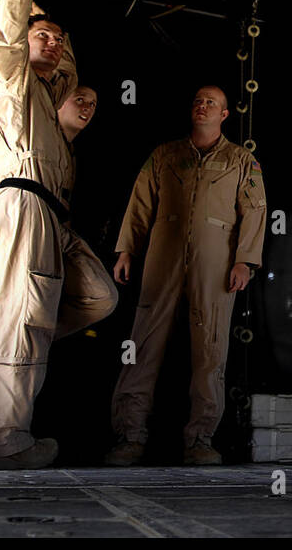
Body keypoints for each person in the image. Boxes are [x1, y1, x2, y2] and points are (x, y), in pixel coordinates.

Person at [0, 0, 117, 470]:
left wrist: (51, 30)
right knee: (28, 318)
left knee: (98, 297)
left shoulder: (54, 108)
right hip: (25, 199)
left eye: (59, 39)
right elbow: (7, 40)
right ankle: (8, 441)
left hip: (53, 215)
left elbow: (67, 72)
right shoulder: (13, 83)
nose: (52, 44)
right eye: (43, 36)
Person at [105, 86, 267, 465]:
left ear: (225, 114)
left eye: (211, 102)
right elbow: (140, 201)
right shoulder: (165, 154)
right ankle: (129, 436)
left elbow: (256, 210)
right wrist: (127, 248)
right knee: (142, 343)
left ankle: (201, 439)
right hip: (163, 255)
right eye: (197, 99)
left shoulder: (243, 160)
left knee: (210, 348)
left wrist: (245, 260)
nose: (202, 105)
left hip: (217, 261)